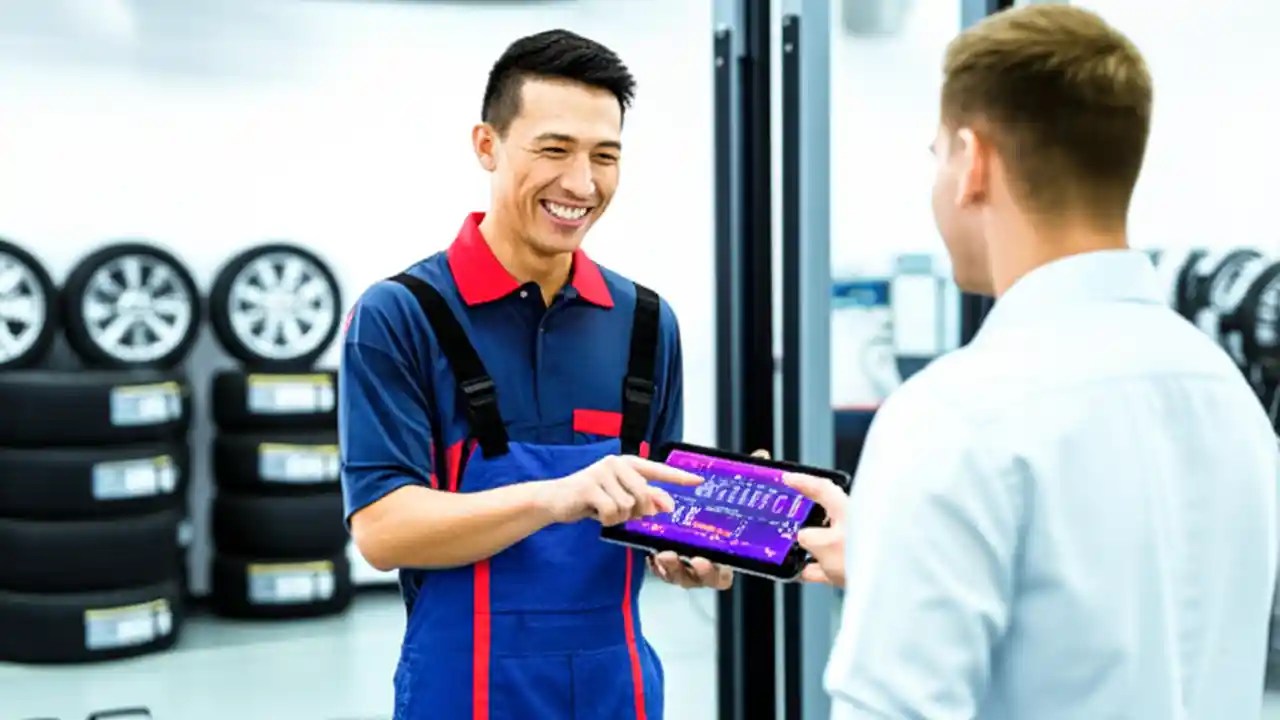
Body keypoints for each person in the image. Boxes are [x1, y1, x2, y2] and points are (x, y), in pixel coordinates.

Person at [787, 5, 1279, 719]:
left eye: (936, 158)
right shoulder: (1228, 399)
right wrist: (902, 562)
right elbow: (1126, 622)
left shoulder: (954, 415)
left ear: (972, 161)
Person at [338, 29, 733, 720]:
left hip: (620, 692)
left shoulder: (645, 323)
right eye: (554, 150)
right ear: (487, 145)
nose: (582, 184)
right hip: (461, 694)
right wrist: (555, 497)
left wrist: (692, 551)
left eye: (604, 156)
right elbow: (383, 530)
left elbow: (653, 517)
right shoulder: (402, 316)